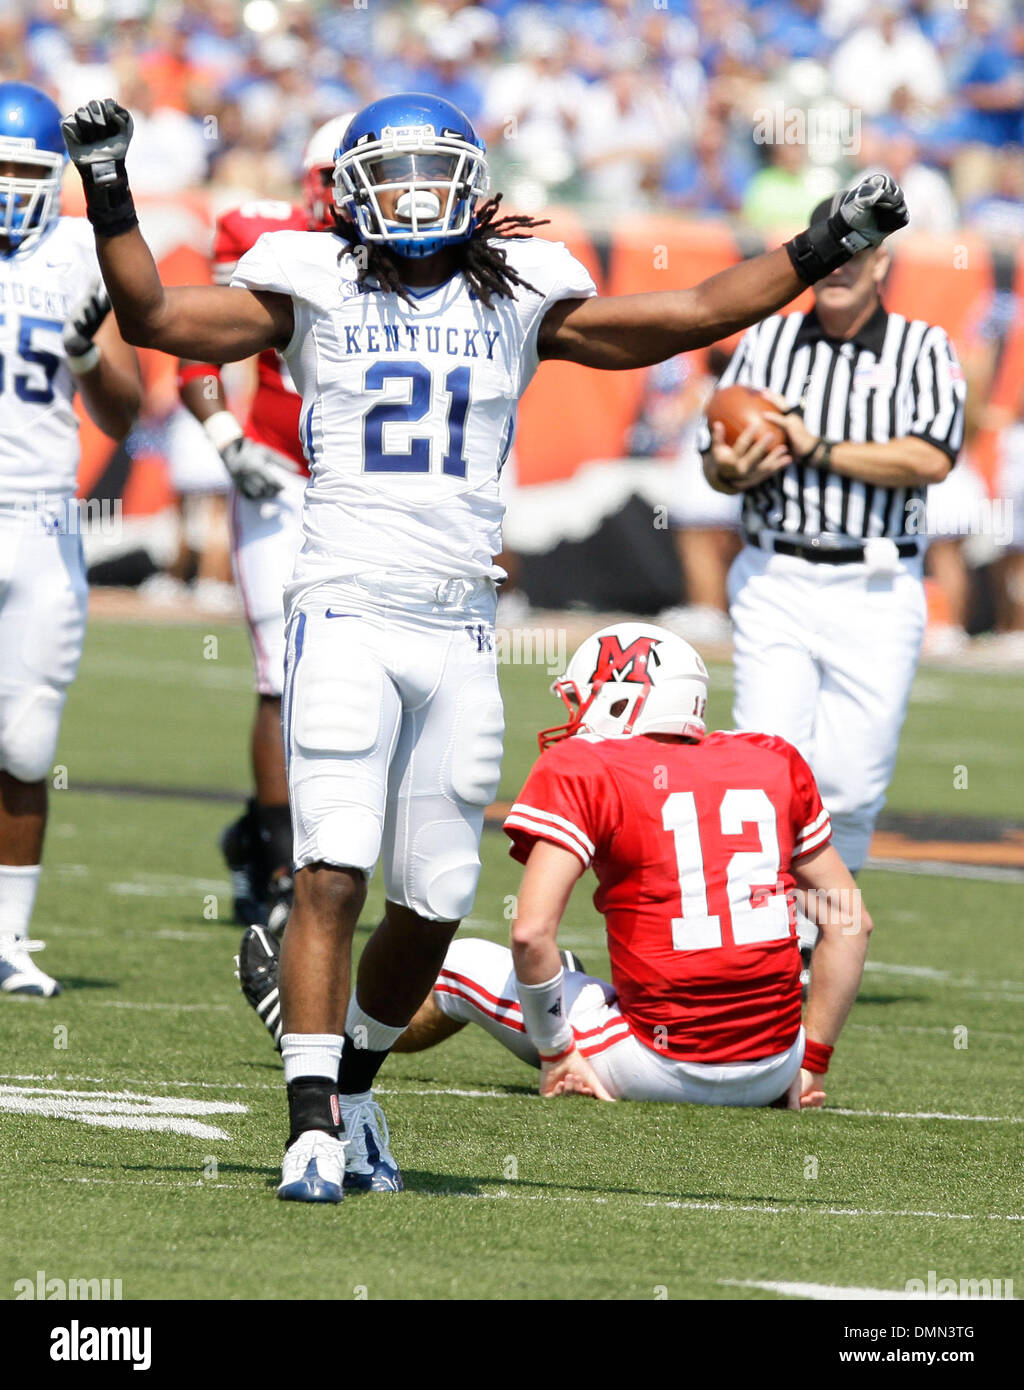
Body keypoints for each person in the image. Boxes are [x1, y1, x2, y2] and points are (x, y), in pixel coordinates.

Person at [60, 91, 908, 1204]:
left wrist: (824, 240)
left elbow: (695, 309)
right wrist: (111, 185)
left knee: (436, 892)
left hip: (462, 619)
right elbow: (160, 317)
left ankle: (355, 1084)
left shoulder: (521, 291)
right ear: (353, 190)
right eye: (393, 173)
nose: (414, 195)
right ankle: (309, 1123)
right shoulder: (308, 275)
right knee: (331, 868)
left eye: (433, 171)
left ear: (471, 182)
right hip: (348, 601)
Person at [394, 623, 872, 1111]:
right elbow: (852, 923)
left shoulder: (589, 766)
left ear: (619, 701)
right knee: (556, 976)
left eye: (581, 700)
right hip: (773, 1068)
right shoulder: (770, 761)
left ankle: (341, 1049)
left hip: (657, 1065)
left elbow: (530, 934)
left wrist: (557, 1053)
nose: (576, 716)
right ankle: (567, 986)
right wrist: (809, 1062)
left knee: (459, 964)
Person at [700, 192, 967, 890]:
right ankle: (768, 935)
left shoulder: (923, 346)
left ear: (882, 259)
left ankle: (822, 938)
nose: (841, 265)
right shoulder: (766, 340)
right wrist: (728, 468)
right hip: (775, 575)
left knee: (850, 783)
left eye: (857, 249)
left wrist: (816, 447)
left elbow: (932, 457)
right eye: (829, 249)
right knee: (765, 763)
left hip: (875, 584)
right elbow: (715, 460)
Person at [178, 114, 351, 930]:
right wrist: (225, 437)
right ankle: (282, 863)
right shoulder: (265, 235)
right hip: (280, 477)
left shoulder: (421, 253)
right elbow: (200, 351)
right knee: (282, 674)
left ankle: (268, 839)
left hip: (368, 491)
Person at [0, 83, 140, 996]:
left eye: (25, 171)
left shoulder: (83, 259)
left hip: (41, 514)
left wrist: (88, 353)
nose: (10, 188)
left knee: (24, 739)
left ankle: (7, 939)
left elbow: (126, 413)